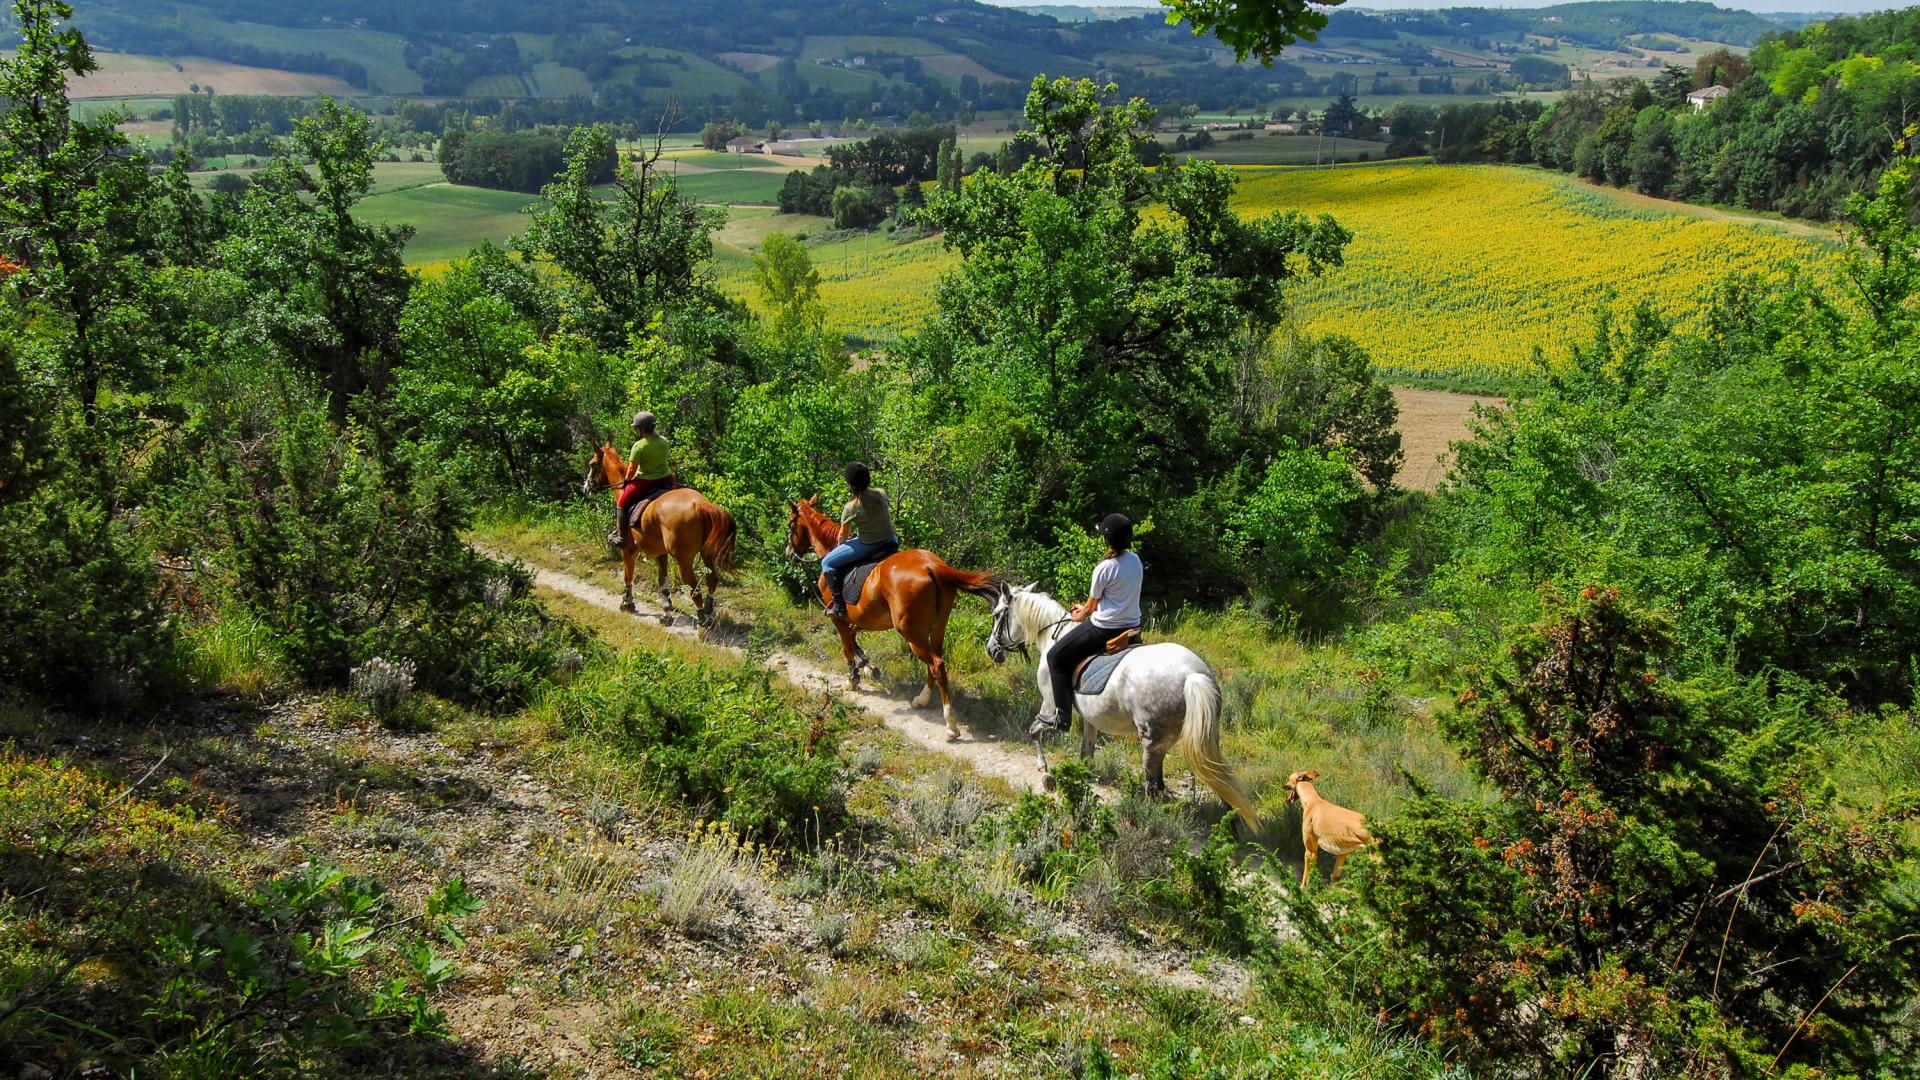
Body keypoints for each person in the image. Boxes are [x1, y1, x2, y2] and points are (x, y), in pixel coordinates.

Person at [1031, 514, 1142, 737]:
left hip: (1105, 629)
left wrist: (1078, 613)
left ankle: (1061, 717)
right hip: (1132, 627)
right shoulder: (1136, 560)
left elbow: (1089, 609)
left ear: (1107, 540)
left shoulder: (1103, 568)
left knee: (1055, 657)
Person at [820, 461, 898, 619]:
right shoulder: (881, 493)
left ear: (850, 485)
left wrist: (839, 549)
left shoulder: (851, 507)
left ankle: (839, 607)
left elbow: (842, 536)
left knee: (827, 563)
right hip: (891, 539)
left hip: (869, 545)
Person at [611, 411, 675, 549]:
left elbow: (632, 469)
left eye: (637, 428)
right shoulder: (664, 441)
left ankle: (622, 538)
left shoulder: (639, 446)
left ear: (641, 429)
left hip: (646, 480)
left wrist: (627, 480)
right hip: (666, 479)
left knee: (621, 502)